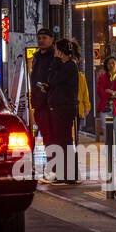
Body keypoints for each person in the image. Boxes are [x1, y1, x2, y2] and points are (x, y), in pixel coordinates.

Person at [43, 39, 81, 183]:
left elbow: (54, 79)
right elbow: (52, 80)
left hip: (64, 108)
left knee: (64, 141)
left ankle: (69, 174)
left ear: (60, 51)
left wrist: (56, 62)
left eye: (56, 50)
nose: (54, 53)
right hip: (59, 107)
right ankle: (62, 173)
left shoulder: (69, 66)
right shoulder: (65, 65)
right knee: (60, 141)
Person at [96, 54, 116, 153]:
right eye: (109, 63)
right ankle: (109, 152)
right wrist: (112, 94)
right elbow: (100, 92)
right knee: (107, 131)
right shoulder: (102, 78)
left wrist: (114, 93)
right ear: (106, 65)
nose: (111, 65)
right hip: (105, 108)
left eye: (113, 63)